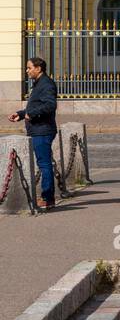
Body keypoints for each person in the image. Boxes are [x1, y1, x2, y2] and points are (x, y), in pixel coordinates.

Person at [7, 56, 59, 211]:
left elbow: (50, 105)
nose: (27, 71)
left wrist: (32, 114)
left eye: (29, 68)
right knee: (43, 163)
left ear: (38, 68)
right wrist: (21, 114)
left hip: (42, 130)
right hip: (38, 129)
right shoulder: (39, 84)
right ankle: (46, 196)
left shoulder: (46, 84)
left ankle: (48, 198)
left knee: (44, 164)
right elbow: (36, 105)